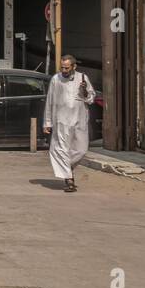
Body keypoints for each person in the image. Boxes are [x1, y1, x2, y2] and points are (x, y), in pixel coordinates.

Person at [43, 54, 95, 193]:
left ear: (74, 67)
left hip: (79, 120)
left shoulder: (83, 78)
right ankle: (69, 180)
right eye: (62, 68)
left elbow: (91, 99)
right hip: (61, 121)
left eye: (67, 68)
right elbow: (50, 101)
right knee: (62, 149)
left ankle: (66, 167)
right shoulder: (56, 79)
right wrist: (47, 122)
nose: (64, 70)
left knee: (81, 150)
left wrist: (84, 91)